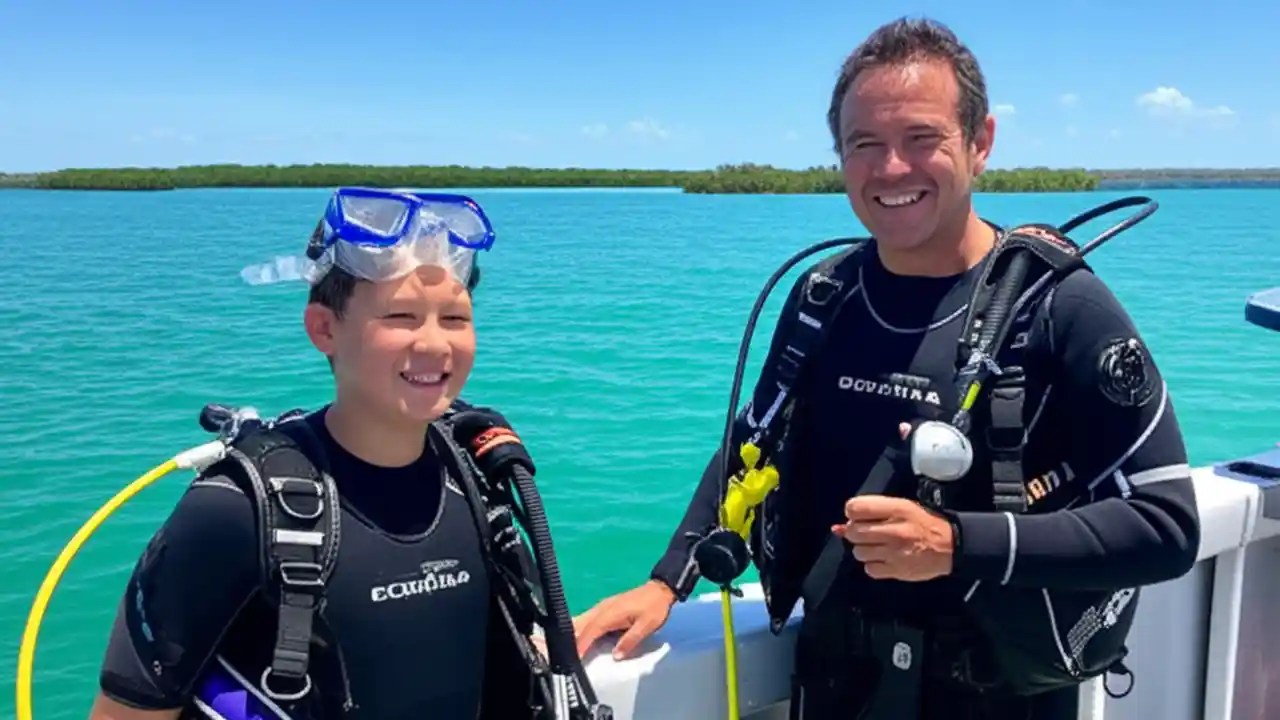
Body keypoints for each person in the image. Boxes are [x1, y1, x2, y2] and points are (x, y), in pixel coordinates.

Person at [573, 17, 1201, 720]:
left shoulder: (1059, 308)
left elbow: (1166, 526)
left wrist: (955, 543)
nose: (892, 169)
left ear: (980, 142)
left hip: (997, 698)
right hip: (835, 682)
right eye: (865, 144)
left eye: (921, 139)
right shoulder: (824, 298)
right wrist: (669, 580)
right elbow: (753, 446)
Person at [90, 188, 597, 720]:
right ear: (324, 329)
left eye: (454, 319)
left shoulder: (475, 477)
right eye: (401, 316)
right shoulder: (236, 511)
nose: (434, 344)